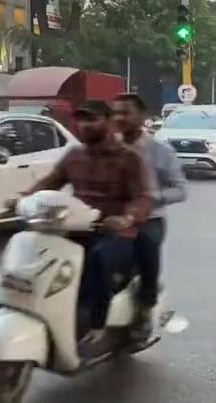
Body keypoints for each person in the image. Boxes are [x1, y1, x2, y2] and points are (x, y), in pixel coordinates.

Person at [26, 100, 152, 351]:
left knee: (98, 258)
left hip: (116, 232)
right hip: (76, 227)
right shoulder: (74, 156)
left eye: (92, 119)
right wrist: (22, 199)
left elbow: (142, 198)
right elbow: (50, 182)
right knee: (39, 252)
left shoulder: (128, 159)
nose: (84, 125)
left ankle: (96, 326)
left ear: (108, 122)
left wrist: (126, 218)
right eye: (81, 119)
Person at [113, 92, 186, 341]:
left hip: (149, 220)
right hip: (109, 217)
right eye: (116, 113)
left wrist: (152, 197)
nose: (120, 118)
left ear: (141, 117)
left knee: (143, 255)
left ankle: (144, 310)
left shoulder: (160, 151)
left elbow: (180, 189)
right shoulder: (106, 147)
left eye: (126, 112)